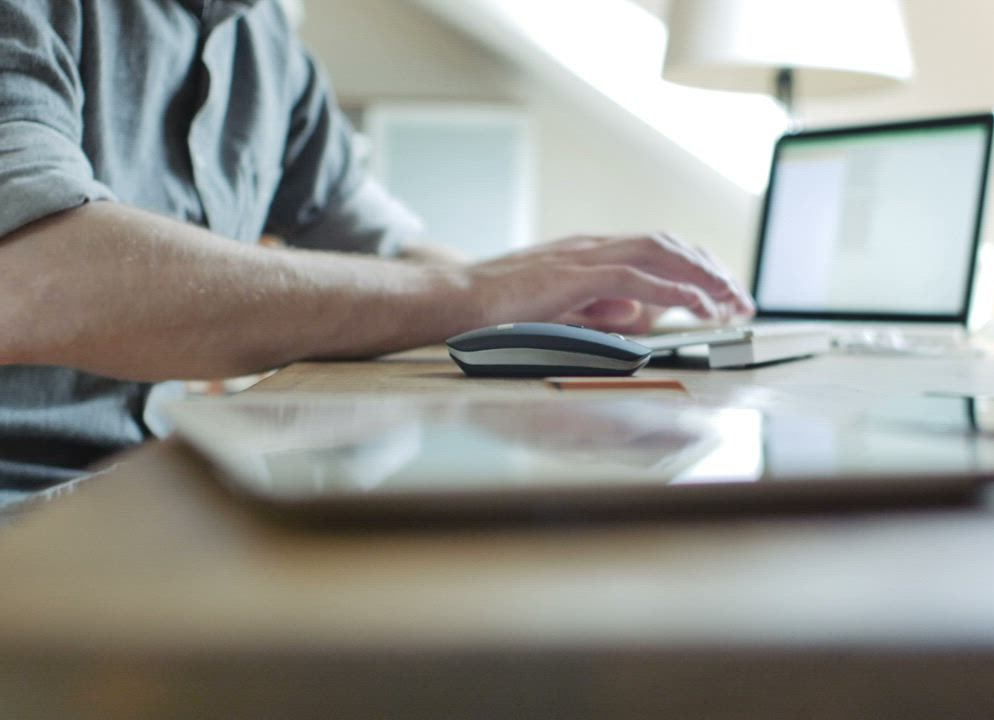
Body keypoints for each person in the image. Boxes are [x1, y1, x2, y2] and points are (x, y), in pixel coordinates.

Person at [0, 0, 754, 485]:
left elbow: (381, 244)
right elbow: (36, 279)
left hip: (149, 483)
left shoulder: (265, 42)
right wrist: (477, 293)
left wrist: (560, 303)